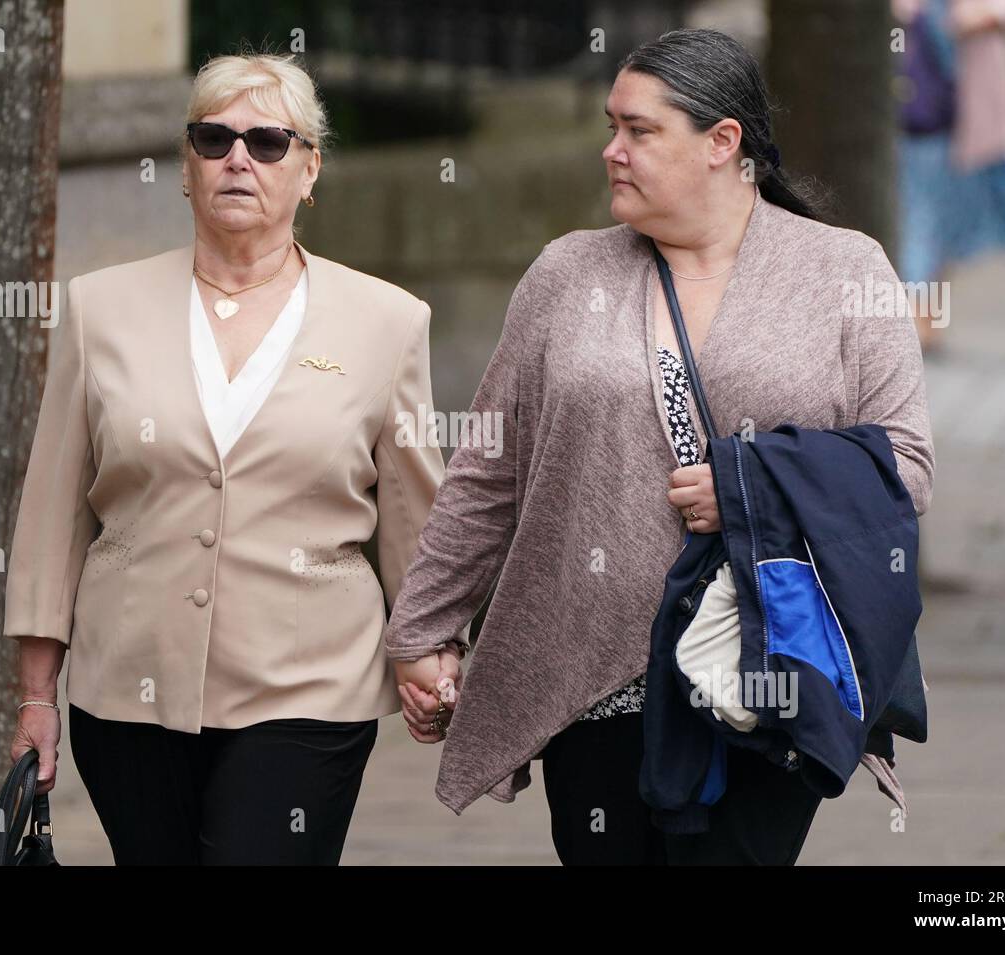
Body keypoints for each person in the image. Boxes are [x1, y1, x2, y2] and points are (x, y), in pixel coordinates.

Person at [386, 28, 935, 865]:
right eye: (612, 126)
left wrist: (752, 489)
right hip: (588, 675)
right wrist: (423, 630)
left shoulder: (843, 272)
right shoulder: (567, 277)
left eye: (640, 131)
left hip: (764, 666)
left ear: (724, 143)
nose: (612, 151)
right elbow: (489, 471)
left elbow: (906, 466)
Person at [3, 52, 463, 865]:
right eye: (213, 139)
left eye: (267, 141)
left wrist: (429, 649)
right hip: (128, 689)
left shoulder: (386, 321)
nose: (238, 158)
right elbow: (51, 517)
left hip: (309, 687)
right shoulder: (99, 308)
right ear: (186, 167)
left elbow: (415, 517)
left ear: (310, 167)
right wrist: (38, 695)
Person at [893, 0, 1005, 354]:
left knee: (940, 223)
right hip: (932, 120)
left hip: (957, 123)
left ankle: (927, 321)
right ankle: (916, 322)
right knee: (924, 222)